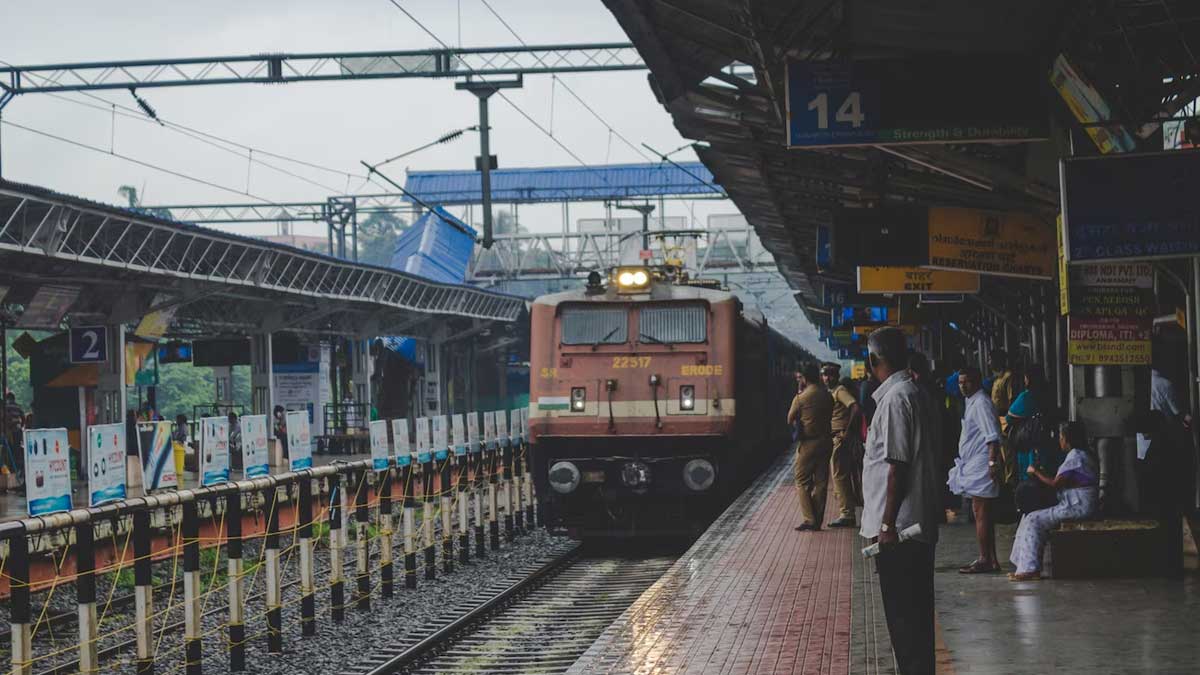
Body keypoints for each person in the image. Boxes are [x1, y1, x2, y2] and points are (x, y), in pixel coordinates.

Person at [861, 327, 940, 675]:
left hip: (901, 532)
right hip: (916, 524)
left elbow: (897, 466)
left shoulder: (896, 399)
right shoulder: (917, 393)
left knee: (905, 623)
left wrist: (886, 524)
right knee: (917, 622)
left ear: (873, 360)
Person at [1008, 421, 1099, 581]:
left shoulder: (1076, 457)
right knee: (1027, 515)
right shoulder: (1082, 454)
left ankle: (1030, 569)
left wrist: (1036, 472)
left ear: (1067, 439)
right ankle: (1021, 565)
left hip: (1078, 506)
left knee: (1034, 520)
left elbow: (1056, 483)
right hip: (1075, 502)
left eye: (1061, 437)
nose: (1059, 440)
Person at [948, 367, 1004, 573]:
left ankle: (984, 559)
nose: (963, 386)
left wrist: (992, 464)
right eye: (960, 382)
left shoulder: (981, 403)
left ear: (977, 381)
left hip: (982, 464)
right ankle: (991, 559)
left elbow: (992, 436)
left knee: (981, 513)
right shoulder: (971, 401)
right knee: (985, 515)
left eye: (967, 382)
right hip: (974, 463)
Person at [787, 362, 833, 531]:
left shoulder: (801, 398)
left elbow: (790, 419)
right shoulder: (827, 395)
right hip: (826, 441)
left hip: (808, 443)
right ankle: (818, 520)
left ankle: (809, 519)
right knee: (821, 481)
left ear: (805, 378)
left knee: (801, 479)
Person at [822, 363, 861, 527]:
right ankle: (846, 511)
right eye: (824, 374)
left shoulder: (840, 391)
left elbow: (855, 407)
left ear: (836, 376)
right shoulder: (832, 392)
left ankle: (847, 514)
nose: (827, 378)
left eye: (830, 374)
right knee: (839, 475)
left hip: (840, 437)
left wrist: (847, 431)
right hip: (836, 437)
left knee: (840, 475)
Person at [1006, 364, 1054, 479]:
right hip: (1046, 440)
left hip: (1028, 441)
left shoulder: (1026, 396)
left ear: (1029, 379)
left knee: (1028, 475)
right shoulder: (1048, 394)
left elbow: (1009, 418)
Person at [988, 350, 1016, 418]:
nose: (988, 363)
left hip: (1004, 415)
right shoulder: (996, 377)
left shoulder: (1008, 376)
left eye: (990, 360)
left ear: (996, 361)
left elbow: (1011, 399)